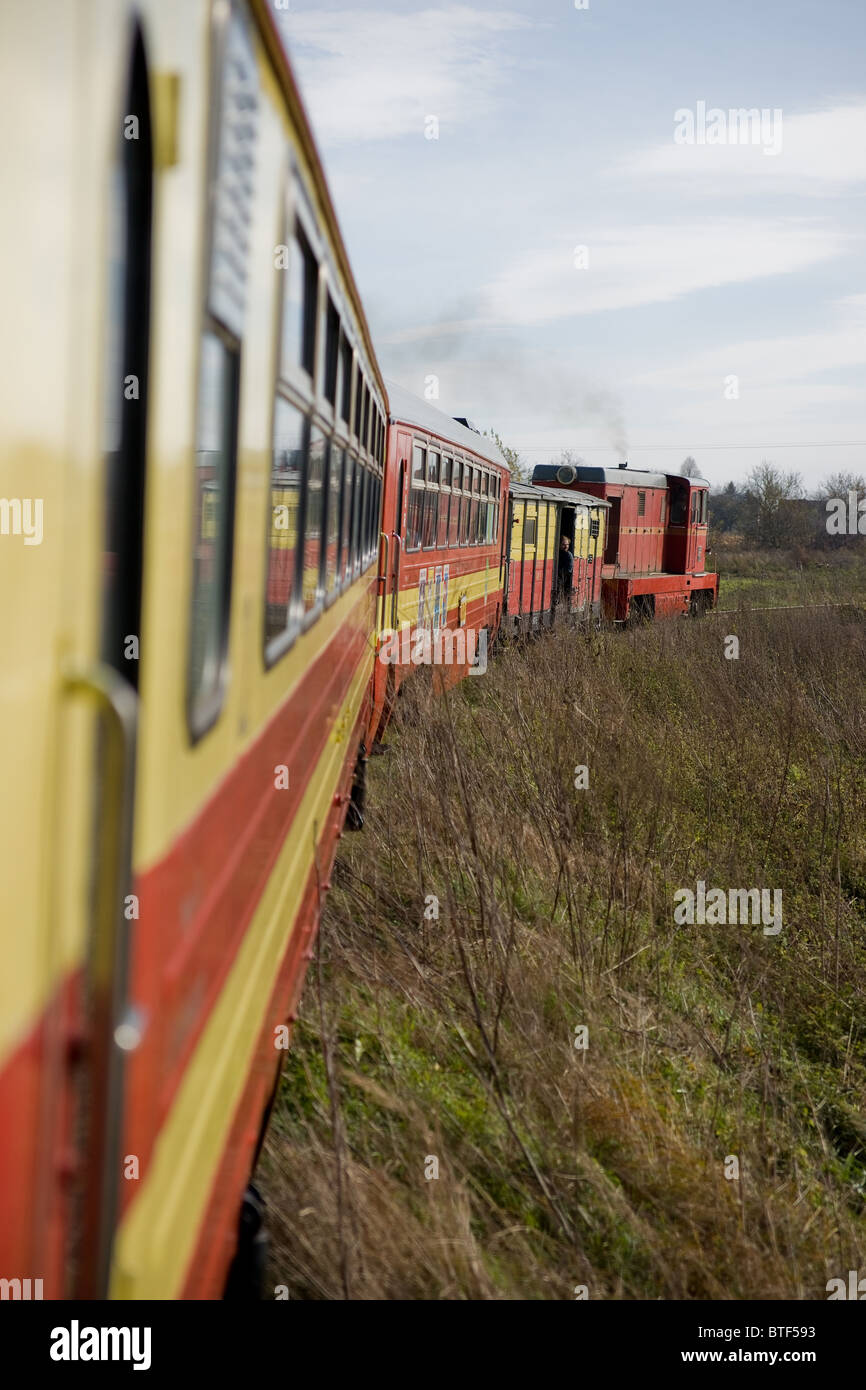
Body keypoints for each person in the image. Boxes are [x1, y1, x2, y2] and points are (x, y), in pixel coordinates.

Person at [557, 534, 574, 603]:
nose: (566, 546)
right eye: (563, 544)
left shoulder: (568, 555)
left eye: (567, 544)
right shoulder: (557, 553)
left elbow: (568, 571)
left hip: (564, 579)